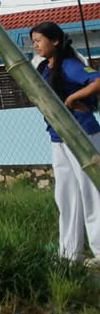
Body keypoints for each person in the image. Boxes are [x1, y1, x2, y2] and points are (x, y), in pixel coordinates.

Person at [31, 23, 100, 263]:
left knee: (91, 192)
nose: (36, 45)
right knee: (66, 194)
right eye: (34, 41)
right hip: (57, 137)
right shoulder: (43, 68)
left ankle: (99, 251)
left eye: (39, 40)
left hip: (81, 134)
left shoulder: (70, 65)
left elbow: (97, 80)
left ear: (56, 41)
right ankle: (70, 254)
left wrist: (73, 97)